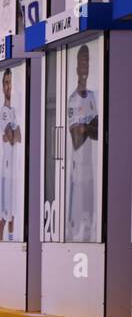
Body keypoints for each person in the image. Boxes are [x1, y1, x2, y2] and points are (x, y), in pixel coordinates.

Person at [66, 43, 99, 241]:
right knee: (77, 221)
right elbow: (76, 139)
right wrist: (90, 126)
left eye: (88, 62)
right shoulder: (72, 100)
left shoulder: (94, 97)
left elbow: (98, 132)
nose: (85, 66)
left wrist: (86, 128)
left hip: (93, 167)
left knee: (91, 218)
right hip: (77, 168)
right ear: (77, 68)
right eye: (82, 62)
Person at [0, 67, 21, 241]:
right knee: (4, 216)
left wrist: (14, 132)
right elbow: (13, 137)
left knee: (12, 215)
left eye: (10, 82)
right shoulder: (4, 112)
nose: (8, 86)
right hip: (6, 171)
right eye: (6, 82)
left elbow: (18, 137)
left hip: (15, 171)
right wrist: (14, 131)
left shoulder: (14, 111)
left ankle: (11, 242)